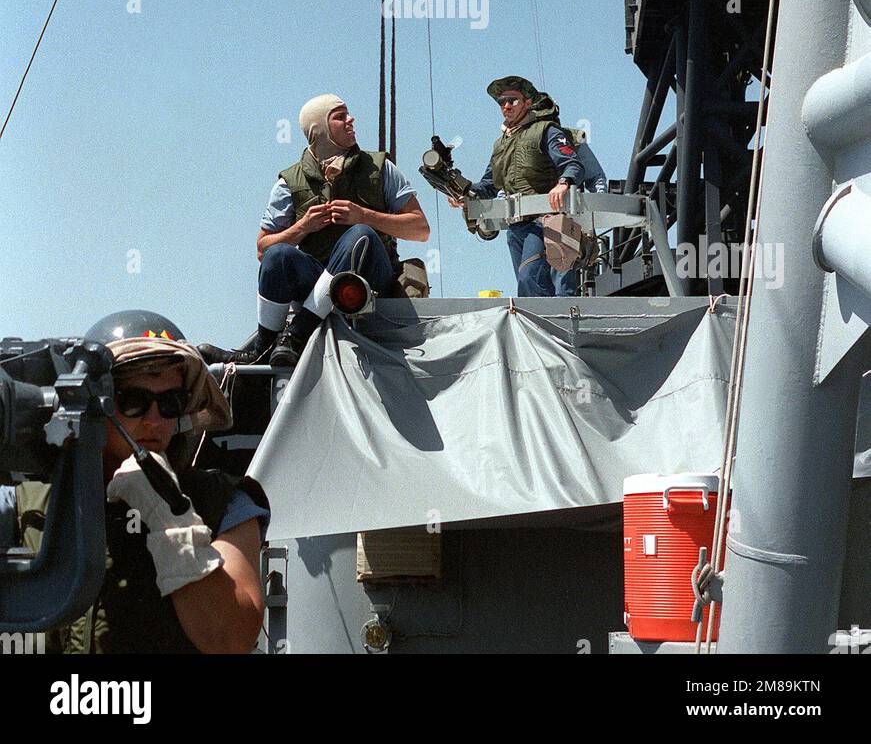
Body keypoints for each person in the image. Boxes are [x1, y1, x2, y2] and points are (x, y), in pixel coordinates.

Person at [12, 310, 269, 655]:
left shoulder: (223, 504)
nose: (154, 420)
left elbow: (230, 639)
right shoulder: (24, 502)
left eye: (170, 403)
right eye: (132, 401)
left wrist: (171, 519)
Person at [214, 94, 430, 368]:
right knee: (278, 254)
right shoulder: (289, 182)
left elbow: (420, 229)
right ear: (319, 129)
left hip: (372, 282)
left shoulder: (379, 168)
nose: (351, 120)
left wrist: (364, 215)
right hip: (318, 282)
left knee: (360, 234)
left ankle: (298, 333)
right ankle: (263, 347)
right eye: (340, 116)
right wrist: (302, 227)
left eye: (347, 114)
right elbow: (262, 249)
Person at [456, 76, 606, 298]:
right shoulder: (501, 144)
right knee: (529, 291)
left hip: (545, 222)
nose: (506, 106)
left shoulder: (547, 131)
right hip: (517, 227)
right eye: (501, 102)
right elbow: (489, 184)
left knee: (535, 280)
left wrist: (563, 183)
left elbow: (573, 164)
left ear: (527, 103)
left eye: (512, 101)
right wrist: (464, 194)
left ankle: (558, 328)